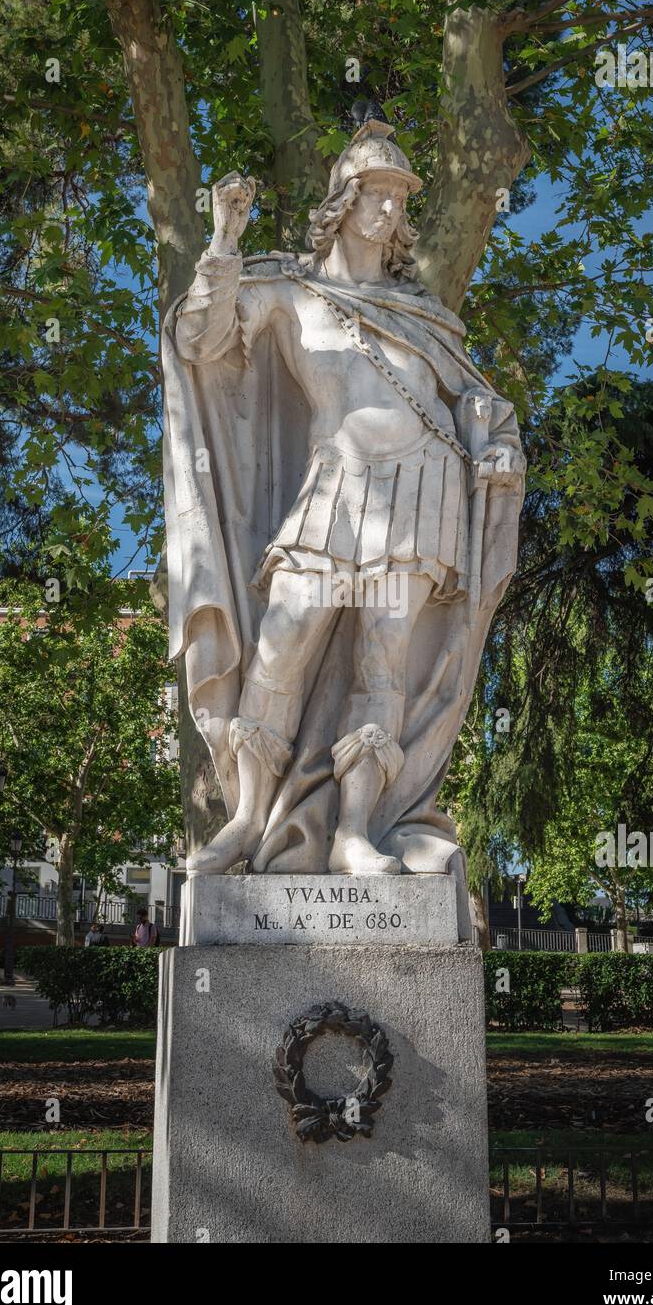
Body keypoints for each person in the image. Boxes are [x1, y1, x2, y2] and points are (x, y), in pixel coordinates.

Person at [163, 117, 524, 879]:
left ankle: (356, 832)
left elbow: (474, 403)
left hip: (422, 489)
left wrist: (494, 446)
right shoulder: (290, 294)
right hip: (334, 489)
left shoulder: (425, 315)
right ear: (342, 201)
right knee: (280, 645)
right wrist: (224, 242)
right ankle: (247, 820)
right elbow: (202, 343)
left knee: (383, 662)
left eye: (399, 198)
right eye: (376, 194)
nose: (391, 210)